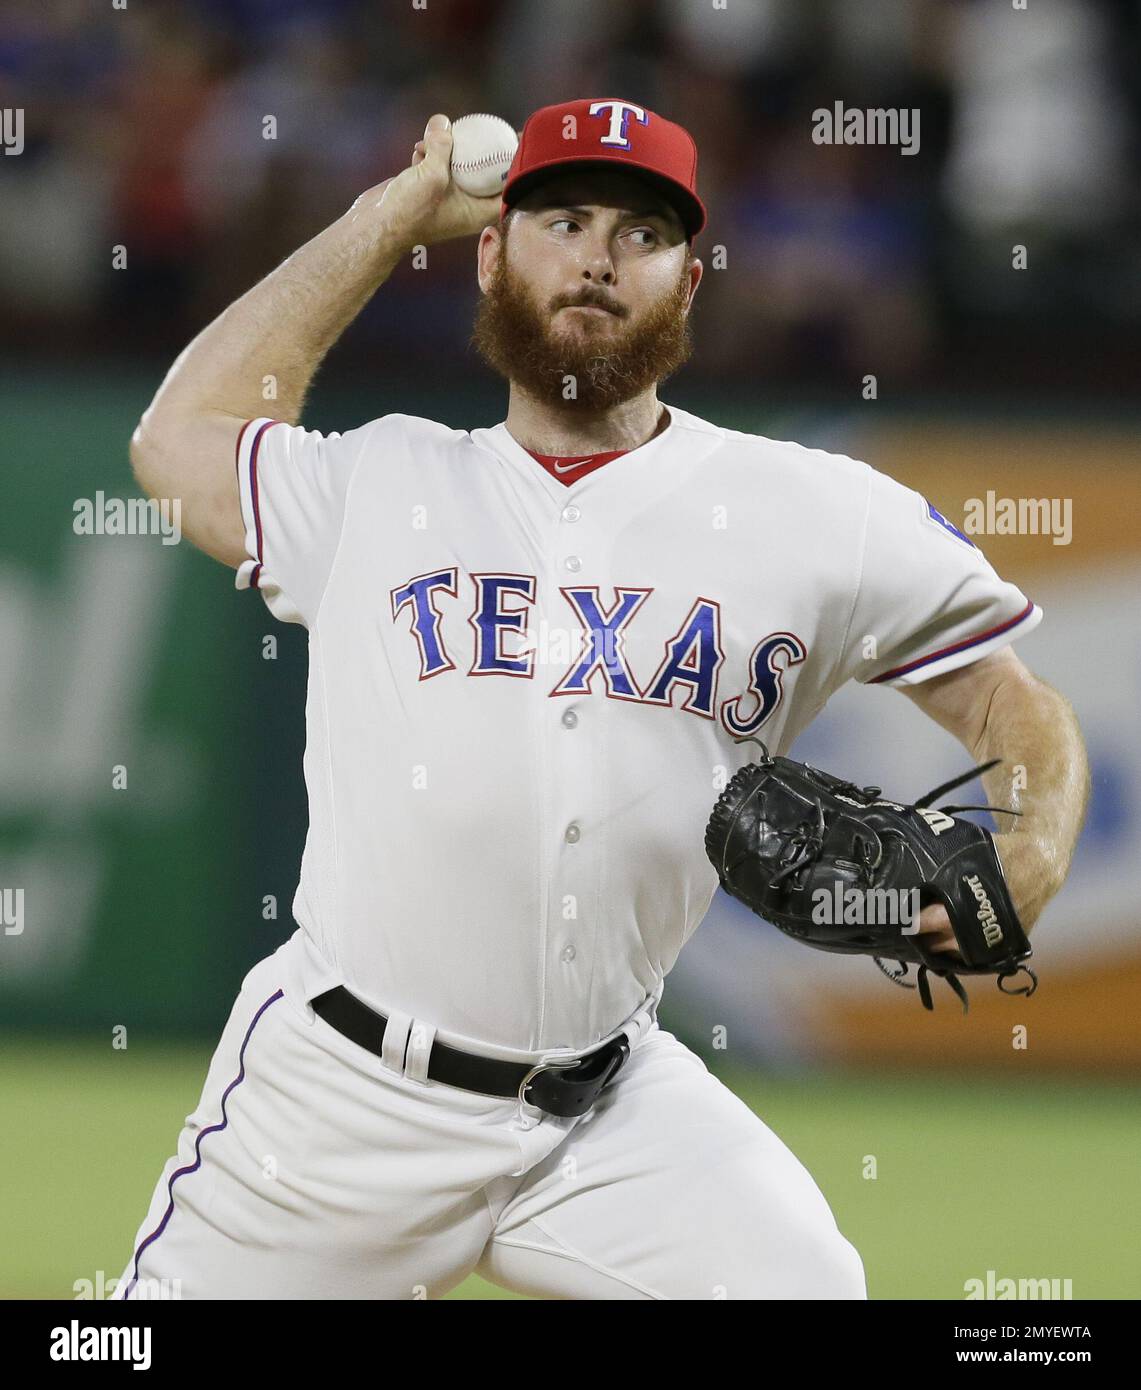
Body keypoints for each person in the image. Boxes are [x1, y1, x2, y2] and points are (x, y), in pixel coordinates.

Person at [116, 100, 1087, 1300]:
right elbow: (178, 439)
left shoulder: (812, 511)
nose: (595, 257)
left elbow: (1008, 693)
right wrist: (391, 214)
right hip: (335, 1100)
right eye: (561, 220)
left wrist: (1034, 846)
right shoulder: (377, 481)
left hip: (606, 1108)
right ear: (491, 252)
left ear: (687, 282)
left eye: (640, 233)